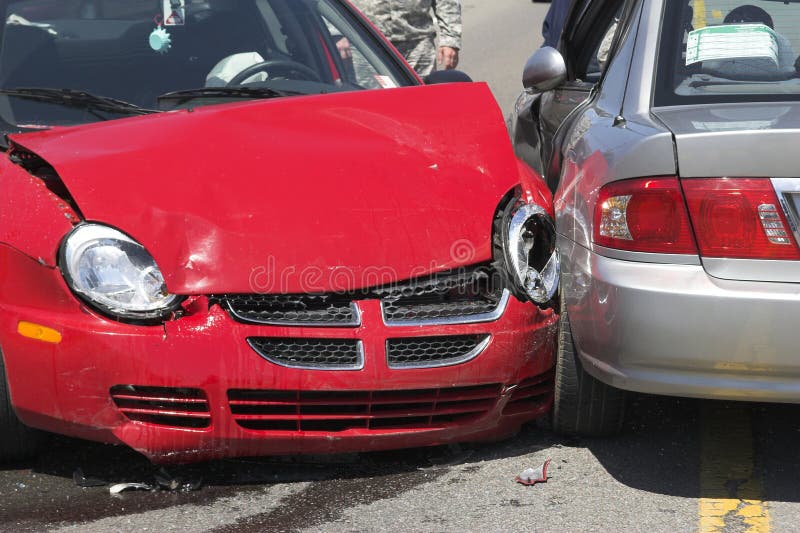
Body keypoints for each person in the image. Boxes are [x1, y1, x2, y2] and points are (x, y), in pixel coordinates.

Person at [349, 0, 462, 77]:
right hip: (366, 42)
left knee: (420, 100)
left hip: (418, 44)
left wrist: (450, 39)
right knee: (368, 101)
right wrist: (336, 33)